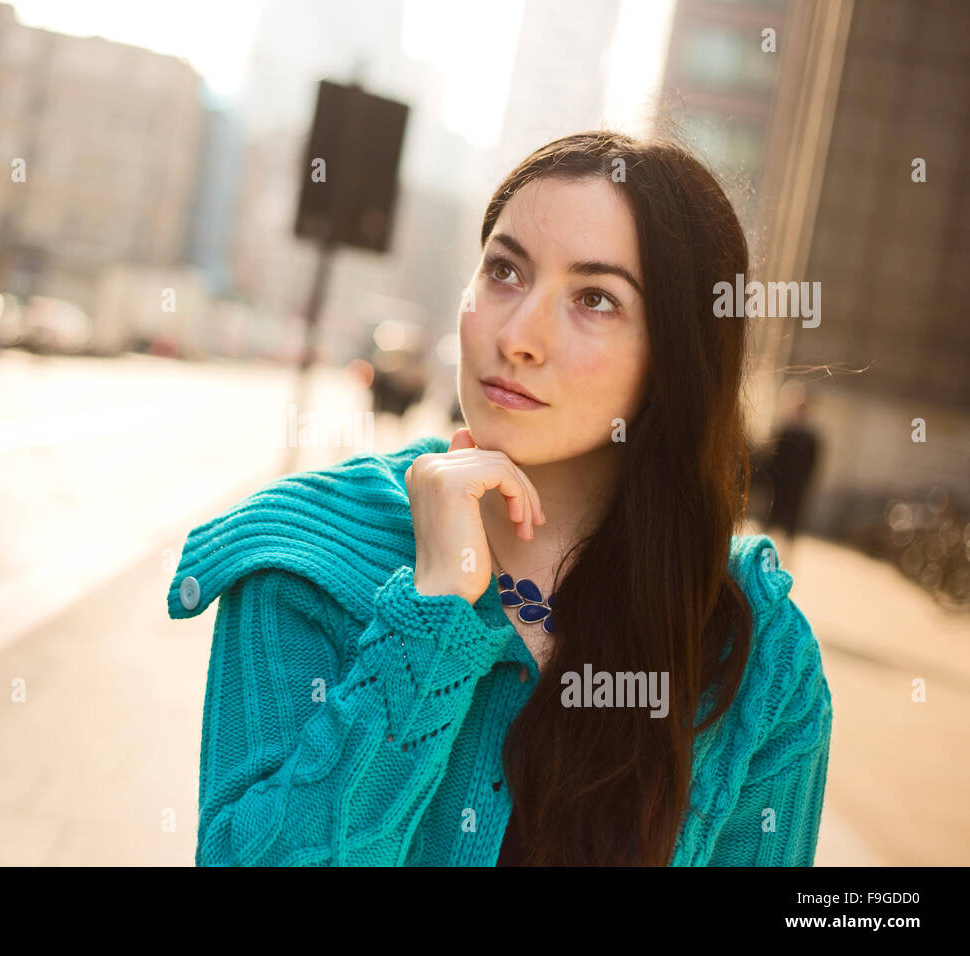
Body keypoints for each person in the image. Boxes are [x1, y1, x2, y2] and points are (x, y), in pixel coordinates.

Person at [167, 131, 832, 866]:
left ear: (676, 357)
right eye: (505, 272)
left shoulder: (758, 653)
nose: (517, 335)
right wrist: (432, 613)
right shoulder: (307, 557)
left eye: (595, 299)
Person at [762, 384, 822, 568]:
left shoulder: (812, 438)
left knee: (790, 529)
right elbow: (773, 460)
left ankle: (784, 562)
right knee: (772, 524)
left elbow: (814, 465)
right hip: (779, 487)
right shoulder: (784, 432)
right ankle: (767, 561)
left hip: (797, 489)